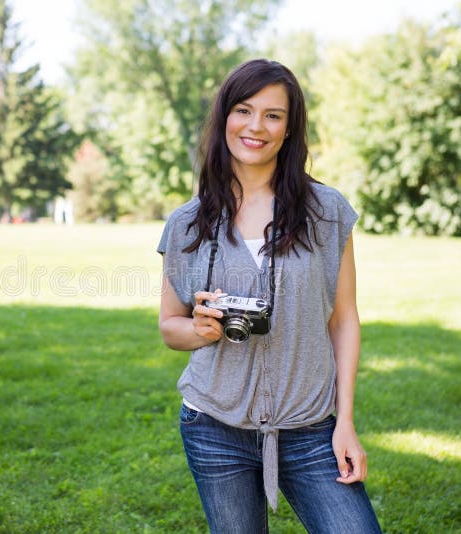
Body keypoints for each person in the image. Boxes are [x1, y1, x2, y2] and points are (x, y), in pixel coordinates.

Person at [157, 59, 382, 534]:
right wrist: (199, 330)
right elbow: (169, 326)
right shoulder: (186, 224)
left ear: (289, 128)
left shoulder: (327, 212)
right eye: (243, 110)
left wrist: (345, 421)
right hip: (213, 428)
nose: (255, 126)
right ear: (224, 118)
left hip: (311, 428)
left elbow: (343, 319)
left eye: (273, 115)